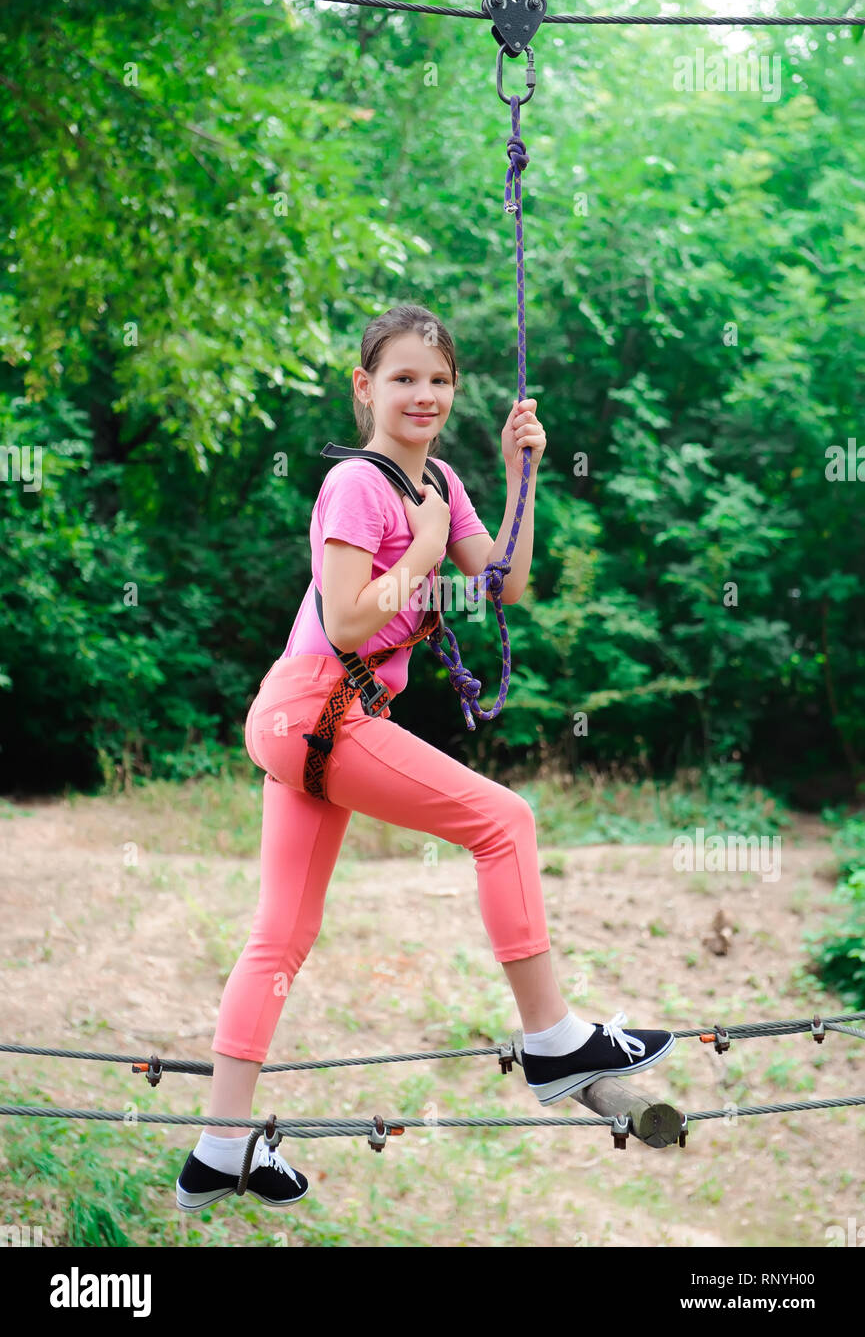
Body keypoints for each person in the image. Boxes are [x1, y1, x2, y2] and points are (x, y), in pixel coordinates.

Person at [175, 304, 675, 1211]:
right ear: (365, 387)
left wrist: (525, 475)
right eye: (403, 378)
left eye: (439, 380)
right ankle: (552, 1038)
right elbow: (347, 619)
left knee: (280, 934)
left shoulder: (441, 480)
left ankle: (218, 1146)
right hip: (315, 710)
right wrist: (431, 550)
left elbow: (508, 582)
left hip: (310, 722)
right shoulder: (359, 487)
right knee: (504, 820)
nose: (424, 394)